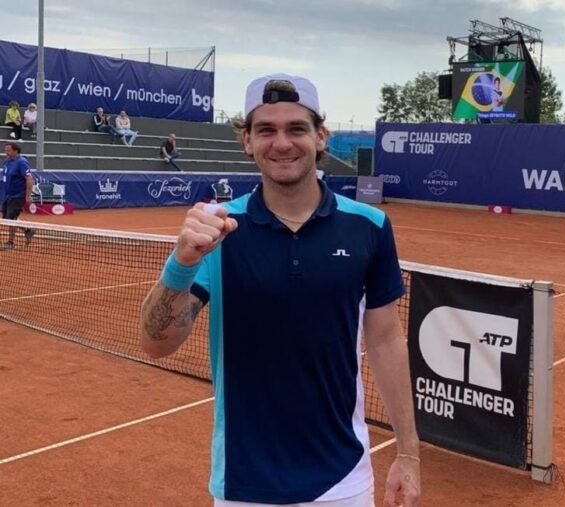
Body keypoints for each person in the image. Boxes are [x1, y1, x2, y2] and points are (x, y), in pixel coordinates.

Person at [139, 73, 420, 507]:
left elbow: (385, 339)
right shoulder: (218, 230)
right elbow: (156, 344)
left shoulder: (371, 226)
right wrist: (182, 263)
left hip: (343, 481)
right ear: (247, 141)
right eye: (266, 130)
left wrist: (407, 453)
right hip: (243, 484)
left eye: (296, 128)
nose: (282, 143)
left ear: (321, 136)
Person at [1, 142, 35, 250]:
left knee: (11, 218)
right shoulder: (6, 162)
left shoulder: (22, 162)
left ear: (16, 151)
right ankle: (28, 230)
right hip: (8, 195)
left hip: (18, 196)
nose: (6, 152)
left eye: (8, 150)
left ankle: (11, 242)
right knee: (6, 218)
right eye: (5, 150)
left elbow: (29, 179)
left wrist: (28, 196)